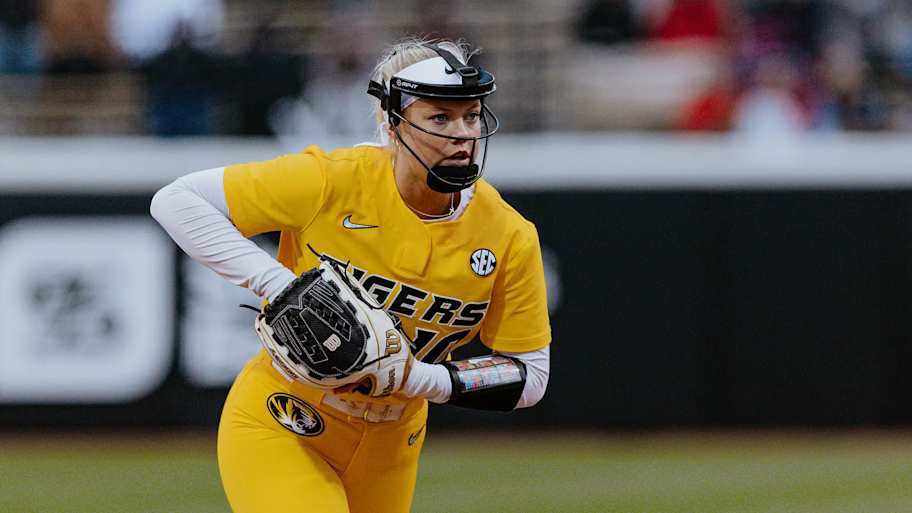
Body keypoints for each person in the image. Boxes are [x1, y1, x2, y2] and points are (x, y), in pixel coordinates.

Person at [150, 37, 551, 513]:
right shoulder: (332, 180)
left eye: (470, 115)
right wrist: (279, 285)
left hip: (393, 441)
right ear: (391, 124)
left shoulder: (508, 234)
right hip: (284, 415)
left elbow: (530, 374)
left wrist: (423, 378)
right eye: (439, 117)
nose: (461, 134)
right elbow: (176, 201)